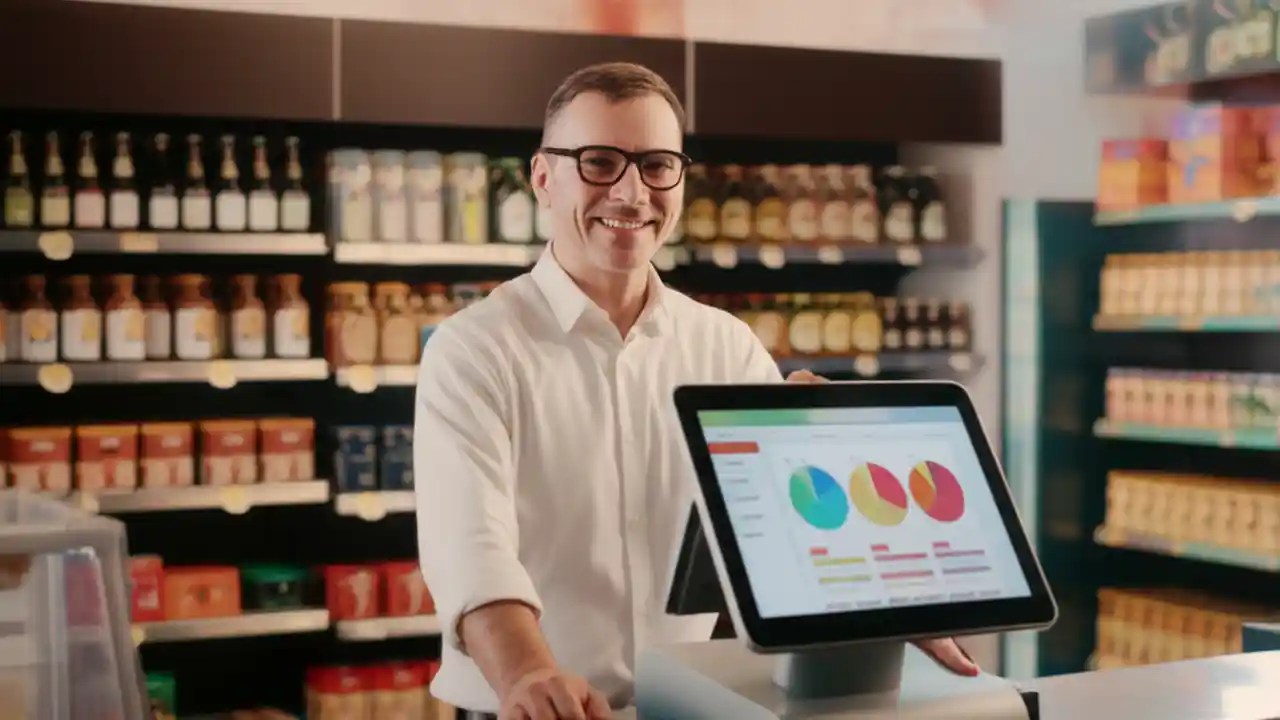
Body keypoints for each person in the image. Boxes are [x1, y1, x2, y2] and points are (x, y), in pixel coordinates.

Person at [414, 61, 979, 720]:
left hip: (681, 704)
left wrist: (889, 587)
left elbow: (788, 530)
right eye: (599, 161)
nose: (631, 194)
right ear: (542, 176)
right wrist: (528, 673)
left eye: (657, 165)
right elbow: (470, 549)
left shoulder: (726, 347)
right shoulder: (473, 350)